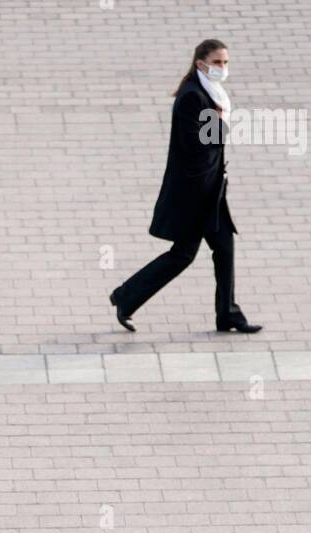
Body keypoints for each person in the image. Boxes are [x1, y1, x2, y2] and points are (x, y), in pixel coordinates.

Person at [109, 39, 261, 334]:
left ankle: (228, 314)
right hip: (196, 195)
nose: (223, 68)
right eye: (217, 62)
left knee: (224, 249)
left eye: (226, 62)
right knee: (183, 255)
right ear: (201, 64)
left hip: (210, 190)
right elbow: (196, 144)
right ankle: (125, 296)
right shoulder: (192, 96)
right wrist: (221, 126)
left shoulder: (209, 92)